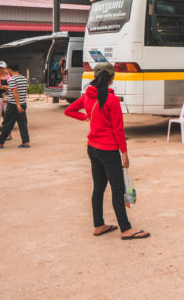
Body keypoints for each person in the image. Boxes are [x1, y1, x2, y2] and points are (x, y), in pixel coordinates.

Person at [64, 62, 150, 240]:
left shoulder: (88, 96)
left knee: (99, 188)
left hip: (93, 148)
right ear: (112, 77)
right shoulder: (111, 100)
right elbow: (118, 130)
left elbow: (69, 110)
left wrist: (84, 116)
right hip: (109, 150)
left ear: (96, 76)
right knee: (117, 189)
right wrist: (124, 153)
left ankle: (98, 225)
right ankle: (126, 229)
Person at [0, 64, 30, 148]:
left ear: (10, 70)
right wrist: (7, 87)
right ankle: (26, 142)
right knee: (23, 124)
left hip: (14, 105)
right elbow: (18, 89)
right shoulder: (24, 78)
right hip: (23, 103)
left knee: (7, 124)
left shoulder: (12, 79)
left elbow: (15, 92)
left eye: (7, 70)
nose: (7, 71)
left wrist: (17, 104)